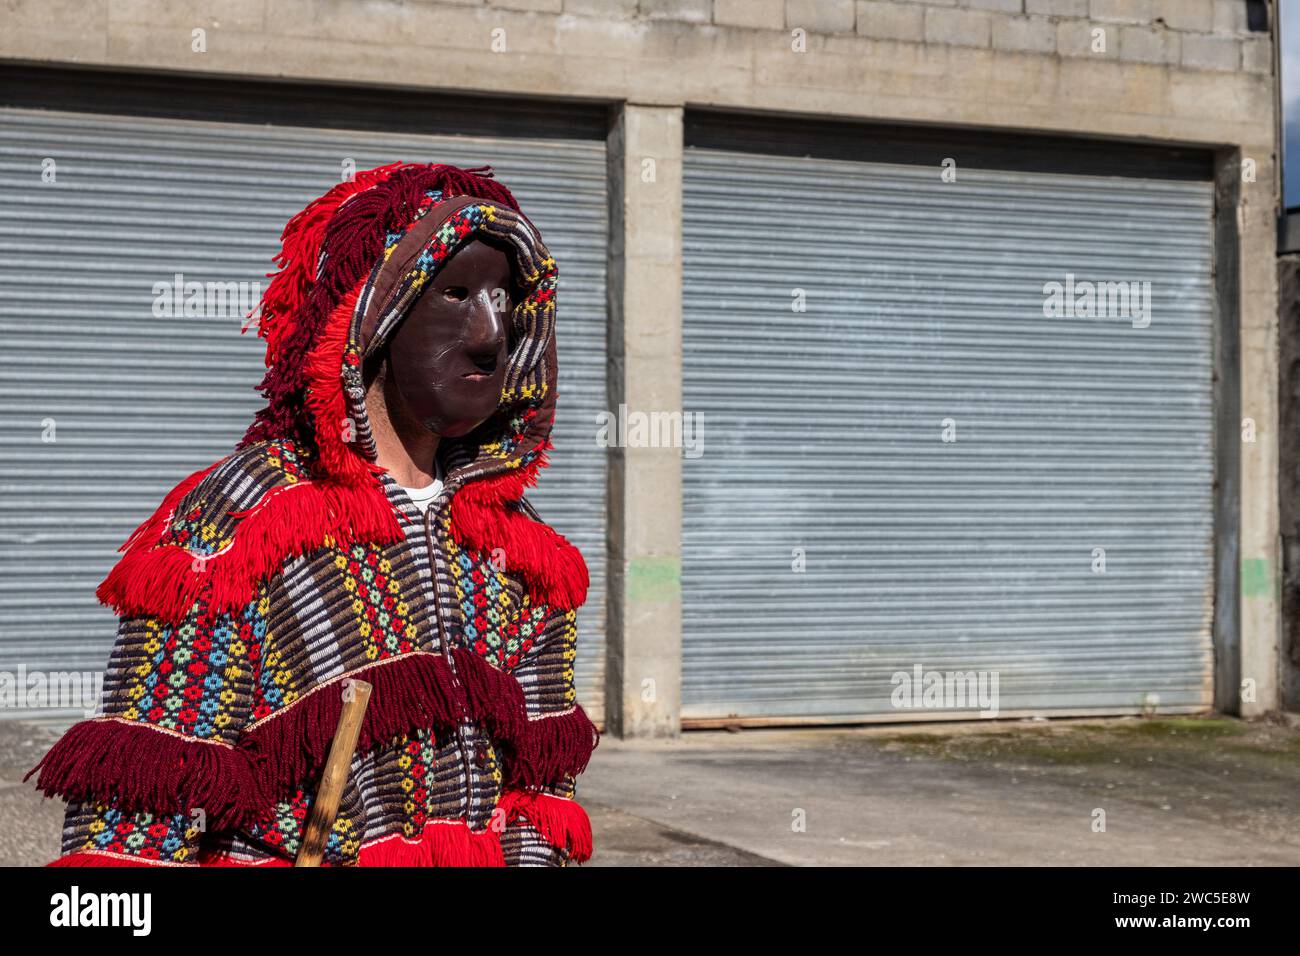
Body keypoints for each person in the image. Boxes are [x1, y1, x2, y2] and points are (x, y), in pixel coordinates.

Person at [25, 162, 599, 866]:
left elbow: (541, 790)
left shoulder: (525, 548)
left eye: (505, 300)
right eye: (454, 295)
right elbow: (142, 812)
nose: (489, 333)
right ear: (372, 320)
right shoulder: (247, 518)